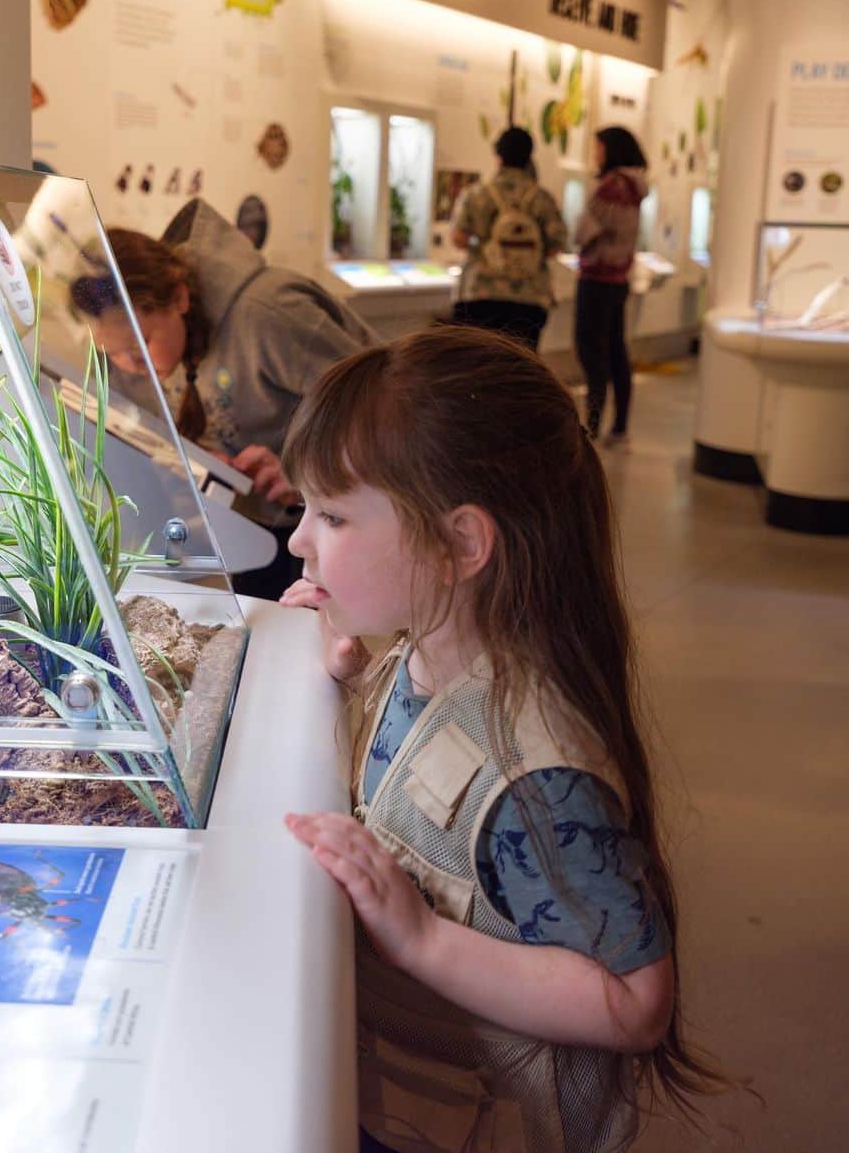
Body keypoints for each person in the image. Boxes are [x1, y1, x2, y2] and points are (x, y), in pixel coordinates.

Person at [278, 328, 723, 1153]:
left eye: (332, 514)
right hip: (400, 1084)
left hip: (472, 1121)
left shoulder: (540, 773)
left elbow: (636, 999)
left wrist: (421, 937)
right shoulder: (420, 651)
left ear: (459, 544)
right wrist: (347, 683)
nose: (300, 539)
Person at [70, 198, 375, 600]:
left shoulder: (268, 313)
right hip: (265, 528)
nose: (132, 366)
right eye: (114, 354)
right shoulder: (163, 348)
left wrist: (305, 475)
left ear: (179, 298)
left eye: (141, 343)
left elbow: (378, 405)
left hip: (343, 518)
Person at [449, 126, 567, 350]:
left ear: (498, 157)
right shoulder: (542, 198)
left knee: (476, 367)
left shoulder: (476, 194)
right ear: (529, 157)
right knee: (520, 370)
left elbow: (458, 238)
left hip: (479, 294)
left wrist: (485, 247)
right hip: (530, 297)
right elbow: (555, 246)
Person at [573, 126, 649, 448]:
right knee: (617, 352)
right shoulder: (635, 187)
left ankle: (591, 426)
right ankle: (619, 426)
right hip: (619, 278)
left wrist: (580, 232)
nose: (595, 153)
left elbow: (586, 229)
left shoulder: (610, 187)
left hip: (597, 277)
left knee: (593, 354)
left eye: (598, 147)